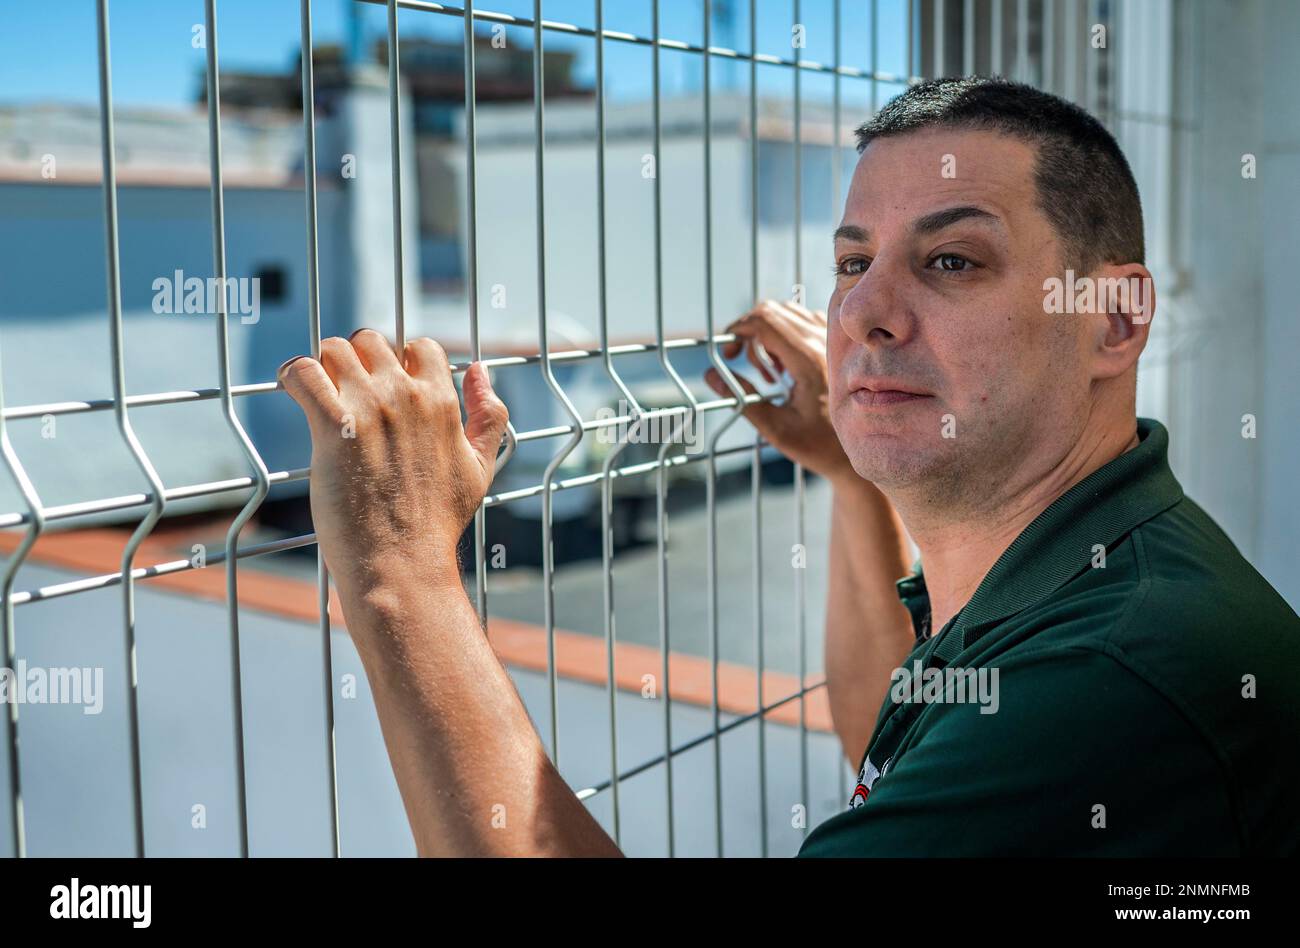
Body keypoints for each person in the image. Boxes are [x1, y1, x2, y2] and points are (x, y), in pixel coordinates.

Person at [278, 77, 1300, 856]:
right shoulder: (1080, 572)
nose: (862, 310)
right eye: (853, 262)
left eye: (950, 261)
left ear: (1112, 321)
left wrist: (398, 571)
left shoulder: (1103, 681)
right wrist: (855, 477)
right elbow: (888, 749)